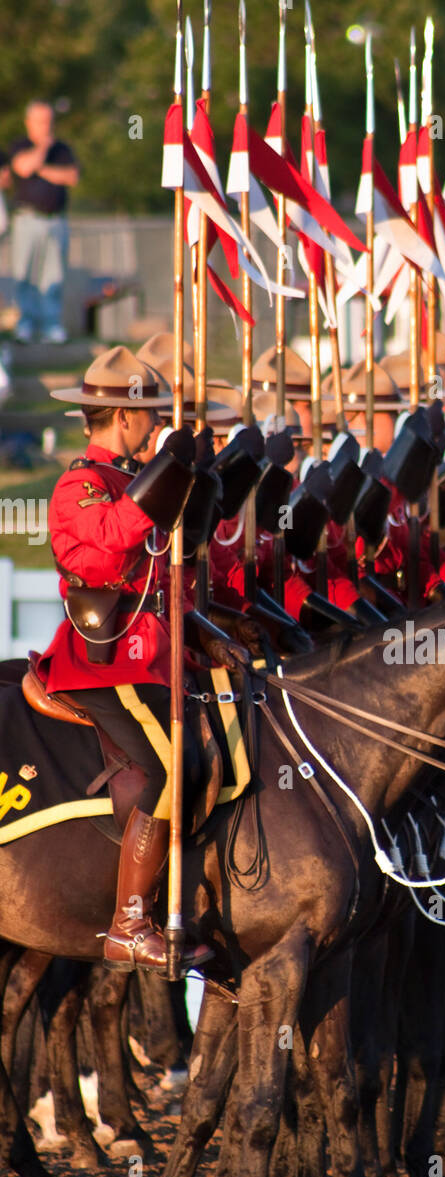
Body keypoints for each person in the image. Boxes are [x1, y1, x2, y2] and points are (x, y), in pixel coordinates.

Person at [44, 345, 220, 976]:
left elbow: (175, 576)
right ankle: (128, 925)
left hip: (152, 657)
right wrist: (168, 469)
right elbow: (113, 544)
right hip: (103, 664)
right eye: (148, 414)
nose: (155, 425)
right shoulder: (80, 487)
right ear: (122, 416)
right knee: (166, 771)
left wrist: (209, 481)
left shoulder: (124, 481)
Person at [9, 101, 78, 345]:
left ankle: (52, 325)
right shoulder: (20, 145)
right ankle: (26, 323)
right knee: (24, 273)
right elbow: (24, 168)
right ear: (29, 123)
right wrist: (41, 150)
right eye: (41, 121)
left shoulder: (62, 149)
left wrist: (42, 169)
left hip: (55, 220)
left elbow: (71, 176)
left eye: (49, 121)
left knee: (53, 275)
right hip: (27, 220)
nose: (46, 126)